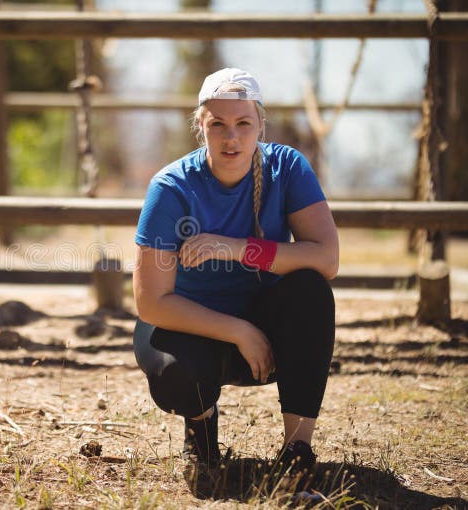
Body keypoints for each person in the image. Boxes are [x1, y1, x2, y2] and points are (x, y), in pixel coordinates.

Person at [132, 67, 339, 491]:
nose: (232, 138)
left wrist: (236, 247)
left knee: (311, 290)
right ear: (200, 127)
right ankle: (202, 437)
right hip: (190, 325)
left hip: (268, 327)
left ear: (261, 125)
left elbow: (326, 258)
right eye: (218, 125)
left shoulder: (288, 168)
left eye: (244, 124)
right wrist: (238, 331)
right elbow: (151, 303)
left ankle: (296, 454)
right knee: (176, 374)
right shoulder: (171, 187)